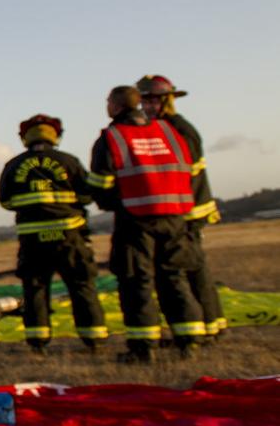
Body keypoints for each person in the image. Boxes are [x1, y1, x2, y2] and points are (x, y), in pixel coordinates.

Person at [87, 86, 204, 362]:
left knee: (136, 280)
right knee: (174, 277)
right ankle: (189, 341)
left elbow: (100, 185)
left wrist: (117, 201)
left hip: (136, 218)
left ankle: (144, 347)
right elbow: (188, 168)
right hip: (175, 217)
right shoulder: (168, 131)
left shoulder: (112, 136)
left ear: (116, 106)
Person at [0, 114, 108, 352]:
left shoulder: (14, 166)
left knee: (35, 288)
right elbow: (88, 195)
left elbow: (5, 201)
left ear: (26, 138)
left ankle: (38, 342)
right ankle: (94, 339)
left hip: (32, 239)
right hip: (69, 236)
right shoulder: (69, 161)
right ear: (54, 136)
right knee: (81, 285)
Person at [138, 75, 227, 339]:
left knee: (190, 270)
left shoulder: (178, 130)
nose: (147, 106)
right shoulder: (166, 128)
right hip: (180, 212)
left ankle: (207, 328)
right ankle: (210, 326)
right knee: (190, 269)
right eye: (145, 100)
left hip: (187, 213)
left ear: (167, 101)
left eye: (153, 100)